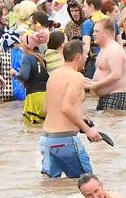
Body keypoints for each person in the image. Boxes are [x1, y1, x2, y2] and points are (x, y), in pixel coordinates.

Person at [41, 42, 100, 178]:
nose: (87, 57)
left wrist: (79, 119)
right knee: (87, 182)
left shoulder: (54, 74)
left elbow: (46, 108)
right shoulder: (76, 76)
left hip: (47, 140)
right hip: (65, 140)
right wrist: (88, 129)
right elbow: (66, 107)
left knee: (51, 186)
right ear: (78, 56)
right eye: (86, 54)